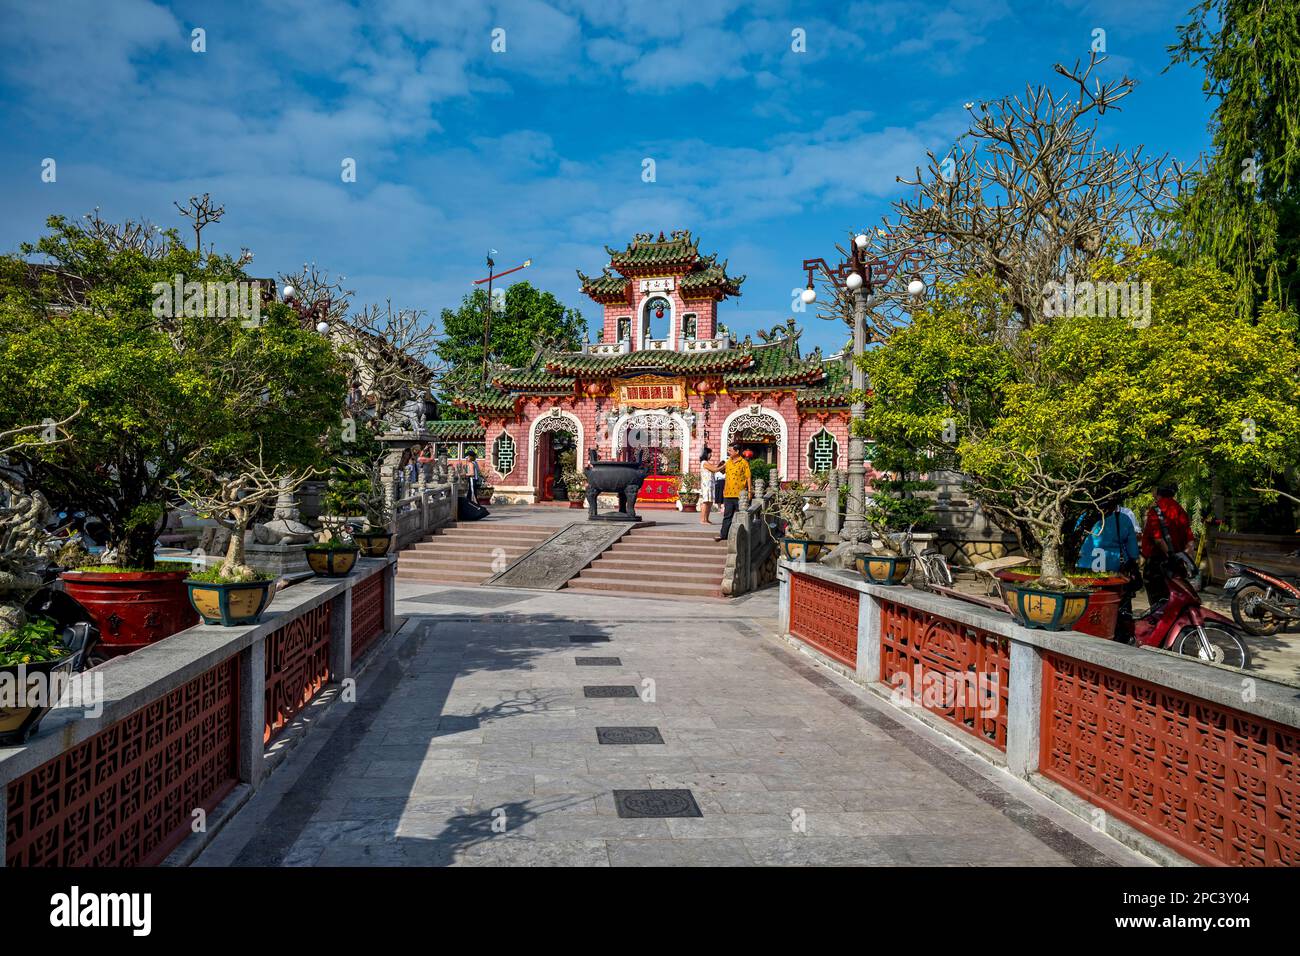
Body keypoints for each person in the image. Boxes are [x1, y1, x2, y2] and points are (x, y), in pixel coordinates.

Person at [1140, 483, 1192, 605]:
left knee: (1157, 600)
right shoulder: (1180, 510)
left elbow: (1158, 540)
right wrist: (1185, 560)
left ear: (1158, 492)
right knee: (1174, 598)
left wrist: (1169, 555)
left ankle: (1159, 622)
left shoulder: (1155, 510)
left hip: (1158, 562)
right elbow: (1190, 541)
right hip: (1177, 562)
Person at [714, 443, 752, 542]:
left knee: (741, 516)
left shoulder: (744, 463)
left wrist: (749, 491)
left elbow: (748, 477)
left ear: (737, 451)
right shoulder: (728, 462)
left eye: (730, 450)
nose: (728, 452)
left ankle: (743, 536)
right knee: (727, 516)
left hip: (740, 494)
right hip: (728, 494)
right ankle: (723, 535)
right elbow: (720, 471)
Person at [698, 445, 718, 525]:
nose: (711, 455)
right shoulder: (704, 462)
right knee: (706, 502)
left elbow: (714, 469)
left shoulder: (707, 463)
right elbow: (714, 469)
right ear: (706, 454)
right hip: (706, 485)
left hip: (710, 485)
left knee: (709, 502)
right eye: (710, 453)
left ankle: (706, 519)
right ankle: (702, 520)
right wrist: (724, 465)